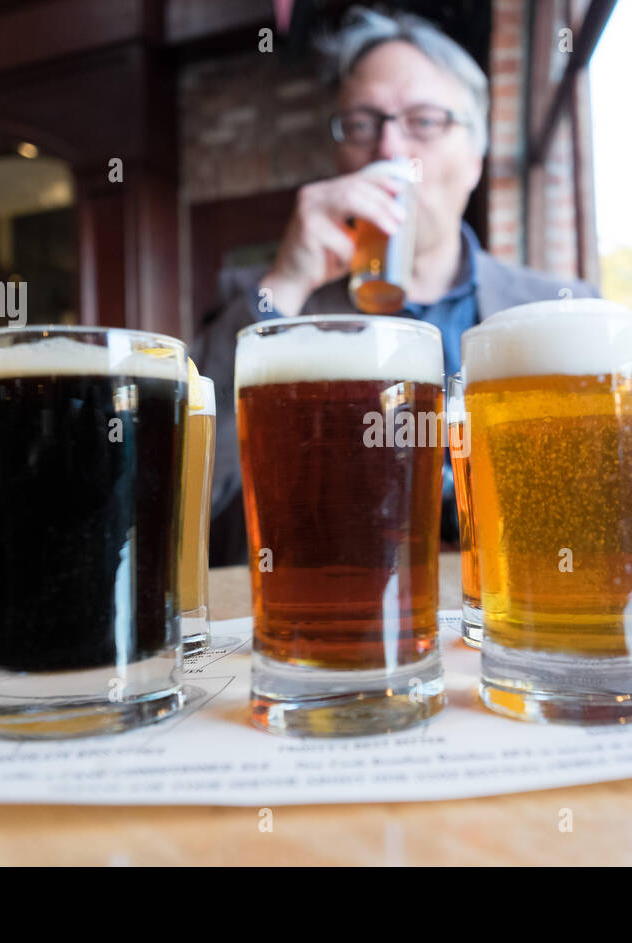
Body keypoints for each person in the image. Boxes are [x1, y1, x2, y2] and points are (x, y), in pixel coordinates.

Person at [197, 6, 599, 561]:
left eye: (425, 121)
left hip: (520, 618)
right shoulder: (270, 301)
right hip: (346, 624)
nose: (387, 150)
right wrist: (286, 282)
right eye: (362, 124)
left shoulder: (564, 311)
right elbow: (201, 486)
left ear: (476, 156)